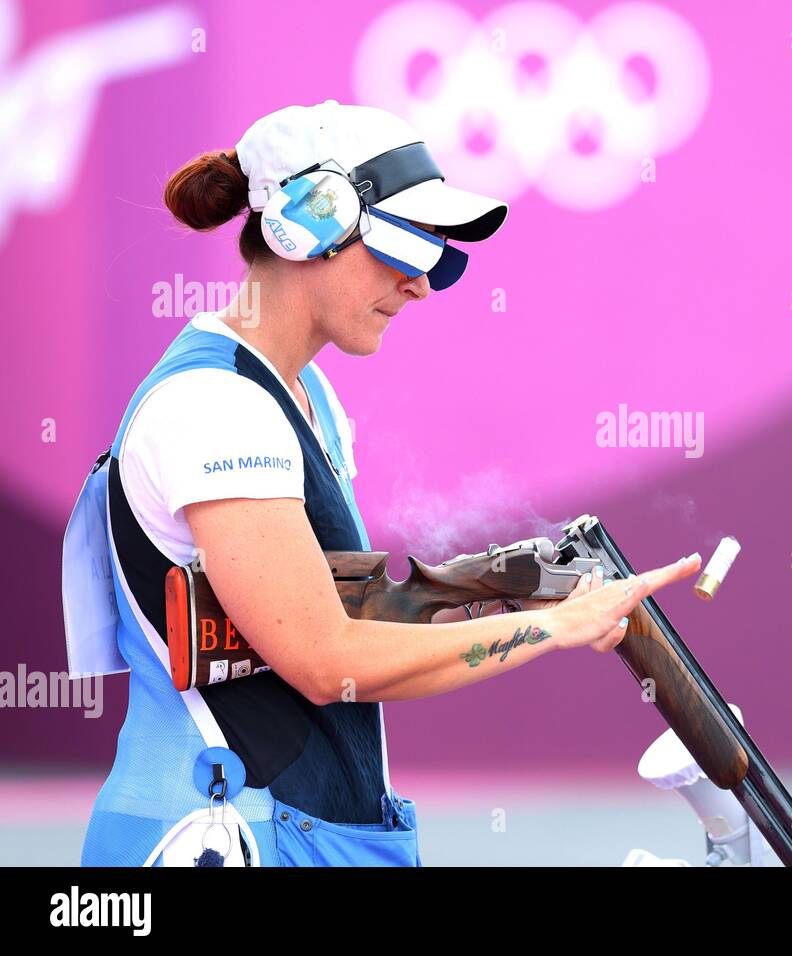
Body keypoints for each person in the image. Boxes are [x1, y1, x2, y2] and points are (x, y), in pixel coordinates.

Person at [67, 100, 702, 867]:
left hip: (297, 826)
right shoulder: (217, 407)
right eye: (404, 249)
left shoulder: (304, 397)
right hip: (225, 833)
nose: (423, 284)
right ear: (307, 226)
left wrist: (523, 583)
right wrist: (553, 629)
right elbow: (325, 657)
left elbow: (340, 605)